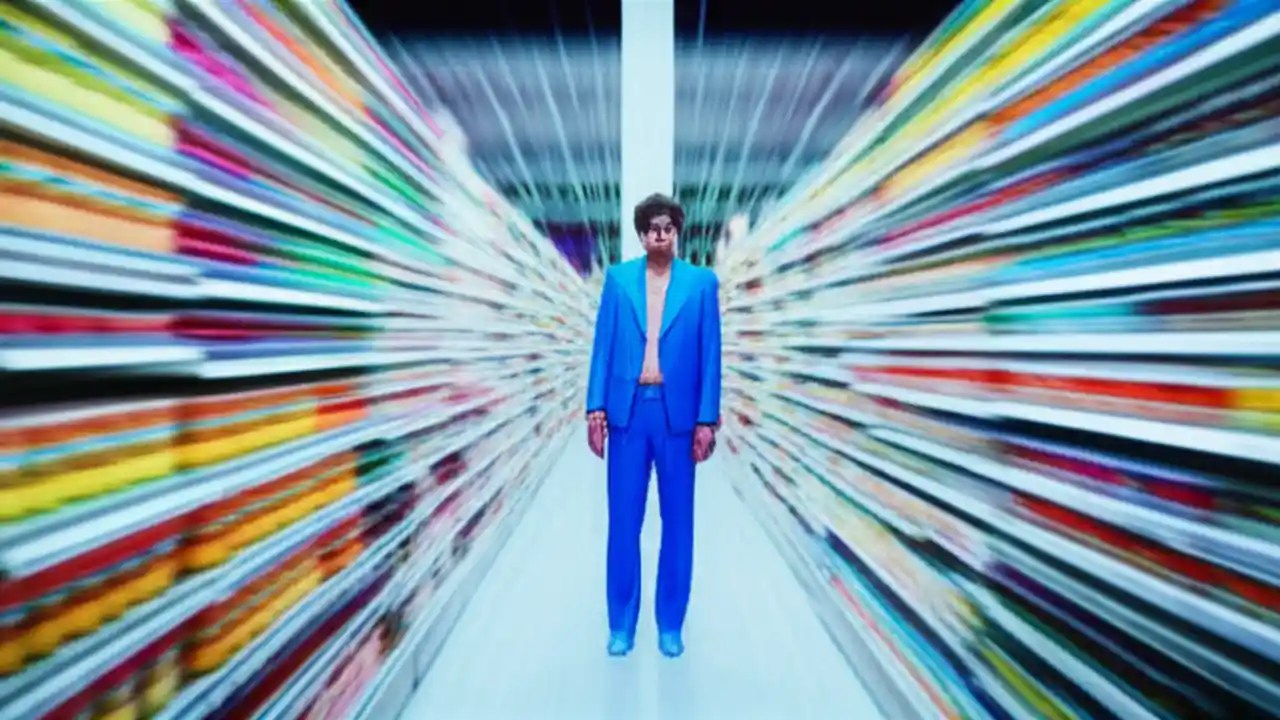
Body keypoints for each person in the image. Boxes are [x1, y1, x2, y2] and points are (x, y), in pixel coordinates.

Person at [585, 193, 722, 659]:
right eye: (651, 227)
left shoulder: (702, 284)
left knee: (678, 523)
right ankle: (621, 623)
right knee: (624, 522)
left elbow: (711, 354)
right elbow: (601, 347)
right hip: (628, 414)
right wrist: (594, 409)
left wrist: (708, 418)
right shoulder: (619, 280)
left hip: (678, 416)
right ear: (641, 234)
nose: (659, 234)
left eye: (667, 226)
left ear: (676, 232)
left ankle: (670, 623)